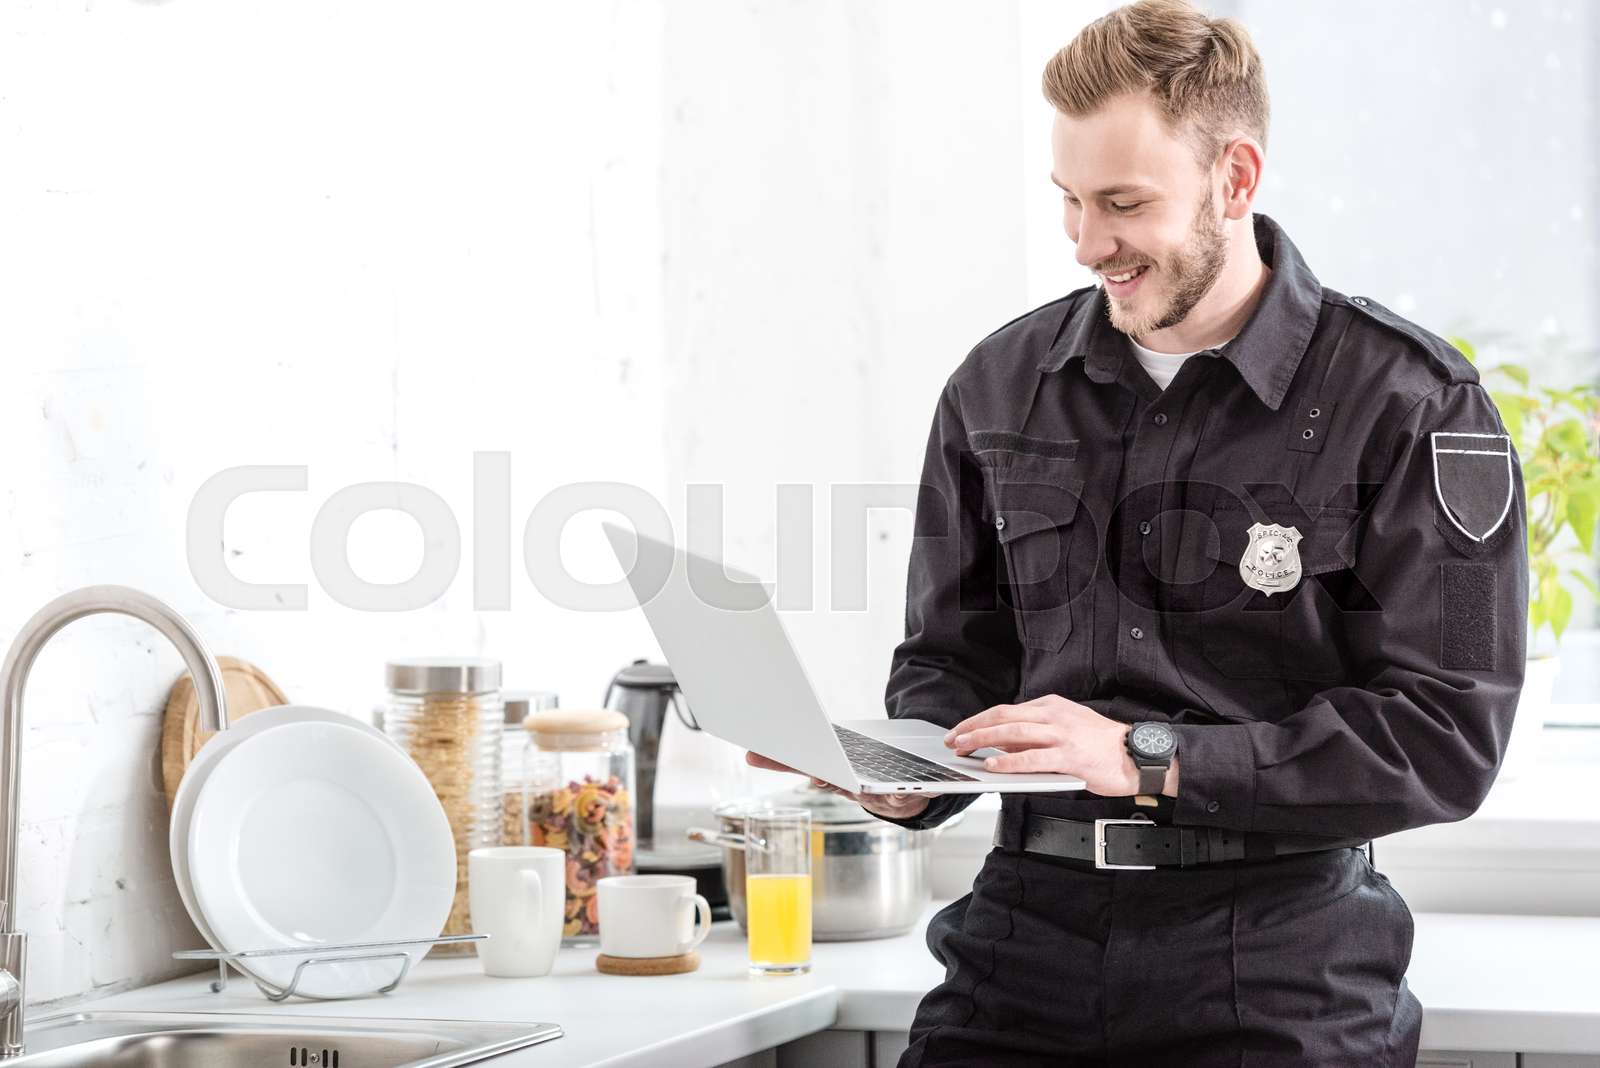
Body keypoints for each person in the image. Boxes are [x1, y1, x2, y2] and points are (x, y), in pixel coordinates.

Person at [748, 1, 1530, 1064]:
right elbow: (949, 662)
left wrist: (1144, 758)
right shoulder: (998, 386)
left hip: (1278, 966)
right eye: (1068, 201)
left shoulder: (1411, 402)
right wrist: (910, 771)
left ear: (1235, 179)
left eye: (1122, 203)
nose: (1087, 245)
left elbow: (1445, 736)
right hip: (1018, 948)